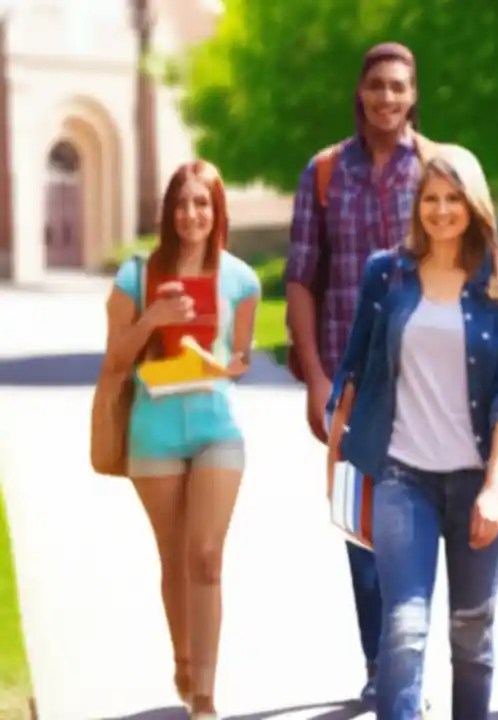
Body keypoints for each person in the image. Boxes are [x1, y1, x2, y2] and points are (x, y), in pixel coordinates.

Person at [327, 144, 498, 719]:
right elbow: (356, 367)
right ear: (416, 205)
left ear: (474, 205)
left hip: (481, 478)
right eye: (431, 198)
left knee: (471, 634)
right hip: (405, 476)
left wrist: (494, 491)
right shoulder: (388, 274)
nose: (442, 210)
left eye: (453, 198)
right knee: (404, 627)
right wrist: (338, 454)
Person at [284, 41, 431, 704]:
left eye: (398, 87)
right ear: (361, 91)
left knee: (419, 526)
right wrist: (315, 378)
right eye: (377, 85)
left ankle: (407, 670)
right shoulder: (322, 174)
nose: (387, 97)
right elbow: (300, 283)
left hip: (427, 384)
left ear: (413, 94)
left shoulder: (434, 169)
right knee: (361, 530)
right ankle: (380, 664)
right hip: (349, 386)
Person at [102, 160, 260, 720]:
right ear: (169, 210)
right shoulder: (135, 276)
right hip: (155, 431)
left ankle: (206, 697)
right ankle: (184, 660)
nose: (192, 214)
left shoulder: (242, 279)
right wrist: (156, 318)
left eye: (203, 203)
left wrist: (222, 365)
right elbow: (116, 359)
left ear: (218, 212)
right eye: (183, 203)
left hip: (217, 428)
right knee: (174, 559)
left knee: (207, 556)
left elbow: (241, 359)